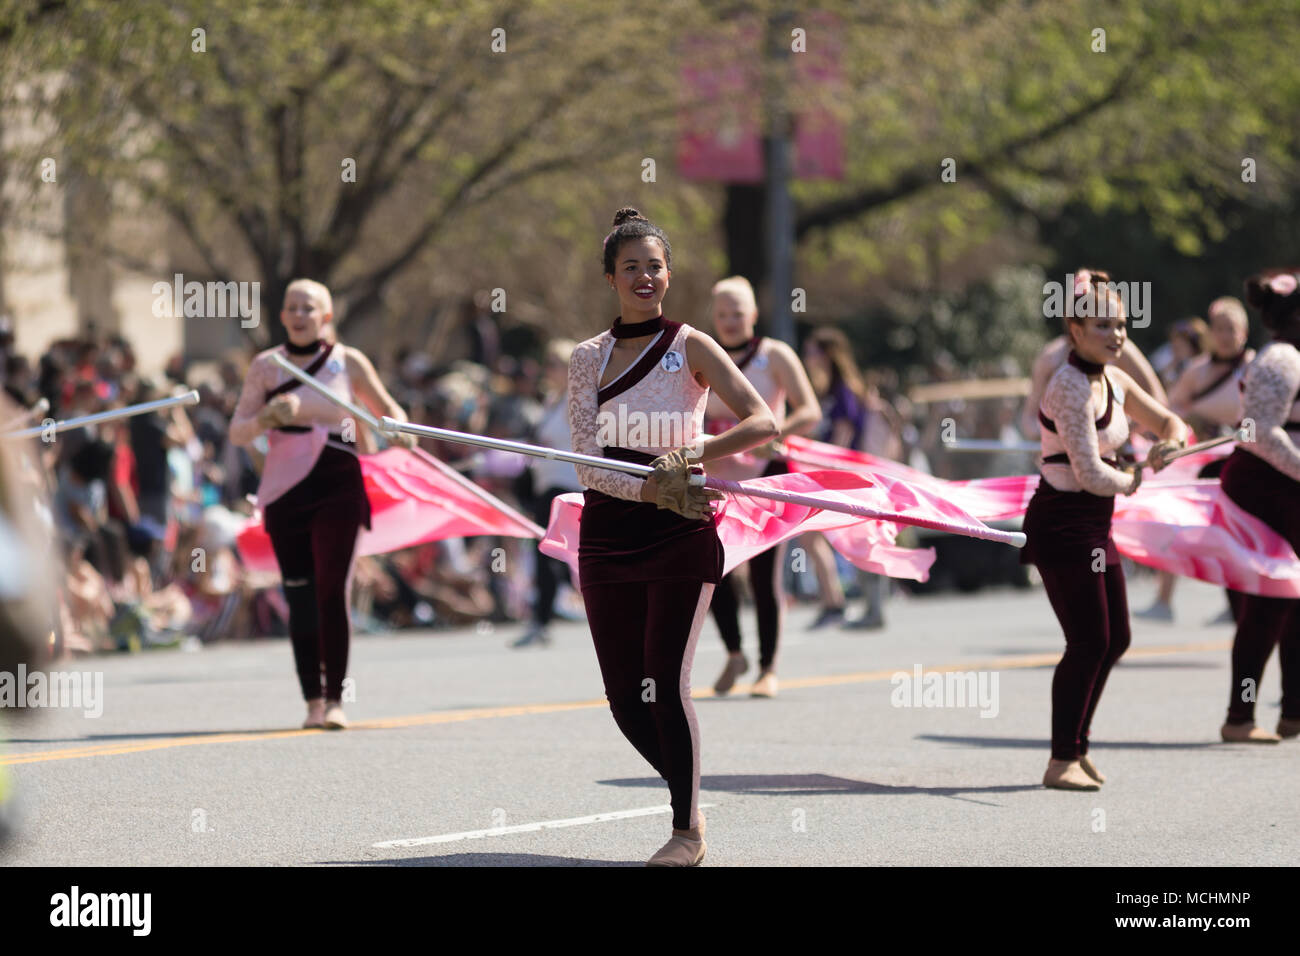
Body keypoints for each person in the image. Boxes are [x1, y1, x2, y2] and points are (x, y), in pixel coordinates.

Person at [568, 208, 776, 866]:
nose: (644, 277)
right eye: (630, 267)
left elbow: (763, 421)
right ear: (611, 278)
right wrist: (646, 487)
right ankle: (690, 794)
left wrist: (696, 452)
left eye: (654, 266)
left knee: (666, 681)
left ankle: (685, 829)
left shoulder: (693, 345)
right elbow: (585, 460)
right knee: (627, 698)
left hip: (682, 528)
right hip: (607, 531)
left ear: (668, 273)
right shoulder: (586, 359)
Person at [1021, 271, 1189, 790]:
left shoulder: (1113, 379)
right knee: (1089, 640)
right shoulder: (1069, 386)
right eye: (1102, 326)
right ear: (1074, 329)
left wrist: (1172, 443)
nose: (1116, 336)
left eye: (1121, 325)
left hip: (1095, 523)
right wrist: (1136, 476)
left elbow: (1168, 421)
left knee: (1116, 638)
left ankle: (1077, 746)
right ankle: (1060, 758)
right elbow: (1091, 474)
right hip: (1063, 521)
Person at [230, 279, 415, 730]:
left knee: (332, 588)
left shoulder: (347, 362)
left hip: (338, 481)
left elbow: (393, 413)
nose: (298, 314)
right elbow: (238, 430)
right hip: (286, 487)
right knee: (300, 594)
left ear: (325, 316)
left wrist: (396, 428)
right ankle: (311, 699)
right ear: (282, 315)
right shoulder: (266, 366)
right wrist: (267, 418)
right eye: (291, 306)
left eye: (308, 307)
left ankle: (335, 700)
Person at [702, 276, 821, 698]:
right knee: (711, 568)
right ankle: (735, 652)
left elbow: (809, 408)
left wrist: (774, 431)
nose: (731, 322)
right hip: (717, 480)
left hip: (768, 476)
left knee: (763, 574)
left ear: (753, 315)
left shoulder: (774, 355)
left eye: (738, 313)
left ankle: (768, 668)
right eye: (723, 314)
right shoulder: (704, 355)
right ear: (713, 317)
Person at [1216, 270, 1300, 743]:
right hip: (1266, 492)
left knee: (1296, 603)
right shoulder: (1282, 357)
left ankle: (1294, 712)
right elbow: (1260, 432)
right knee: (1270, 604)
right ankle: (1239, 717)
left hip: (1286, 489)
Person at [1139, 298, 1254, 623]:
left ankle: (1240, 602)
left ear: (1244, 332)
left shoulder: (1258, 369)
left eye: (1231, 328)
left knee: (1236, 532)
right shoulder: (1197, 371)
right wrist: (1193, 421)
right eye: (1219, 328)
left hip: (1242, 465)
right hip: (1200, 466)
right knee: (1175, 524)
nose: (1225, 335)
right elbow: (1169, 411)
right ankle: (1164, 600)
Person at [512, 338, 582, 648]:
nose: (549, 369)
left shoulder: (574, 400)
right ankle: (542, 617)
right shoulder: (551, 401)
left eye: (556, 363)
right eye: (548, 363)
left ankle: (544, 617)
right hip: (546, 485)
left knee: (553, 553)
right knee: (547, 553)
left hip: (565, 486)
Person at [798, 327, 868, 628]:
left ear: (826, 354)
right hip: (825, 474)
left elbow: (844, 434)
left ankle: (839, 603)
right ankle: (834, 602)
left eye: (812, 351)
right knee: (812, 537)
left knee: (831, 537)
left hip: (841, 477)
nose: (807, 357)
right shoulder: (825, 390)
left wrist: (826, 470)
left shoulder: (844, 389)